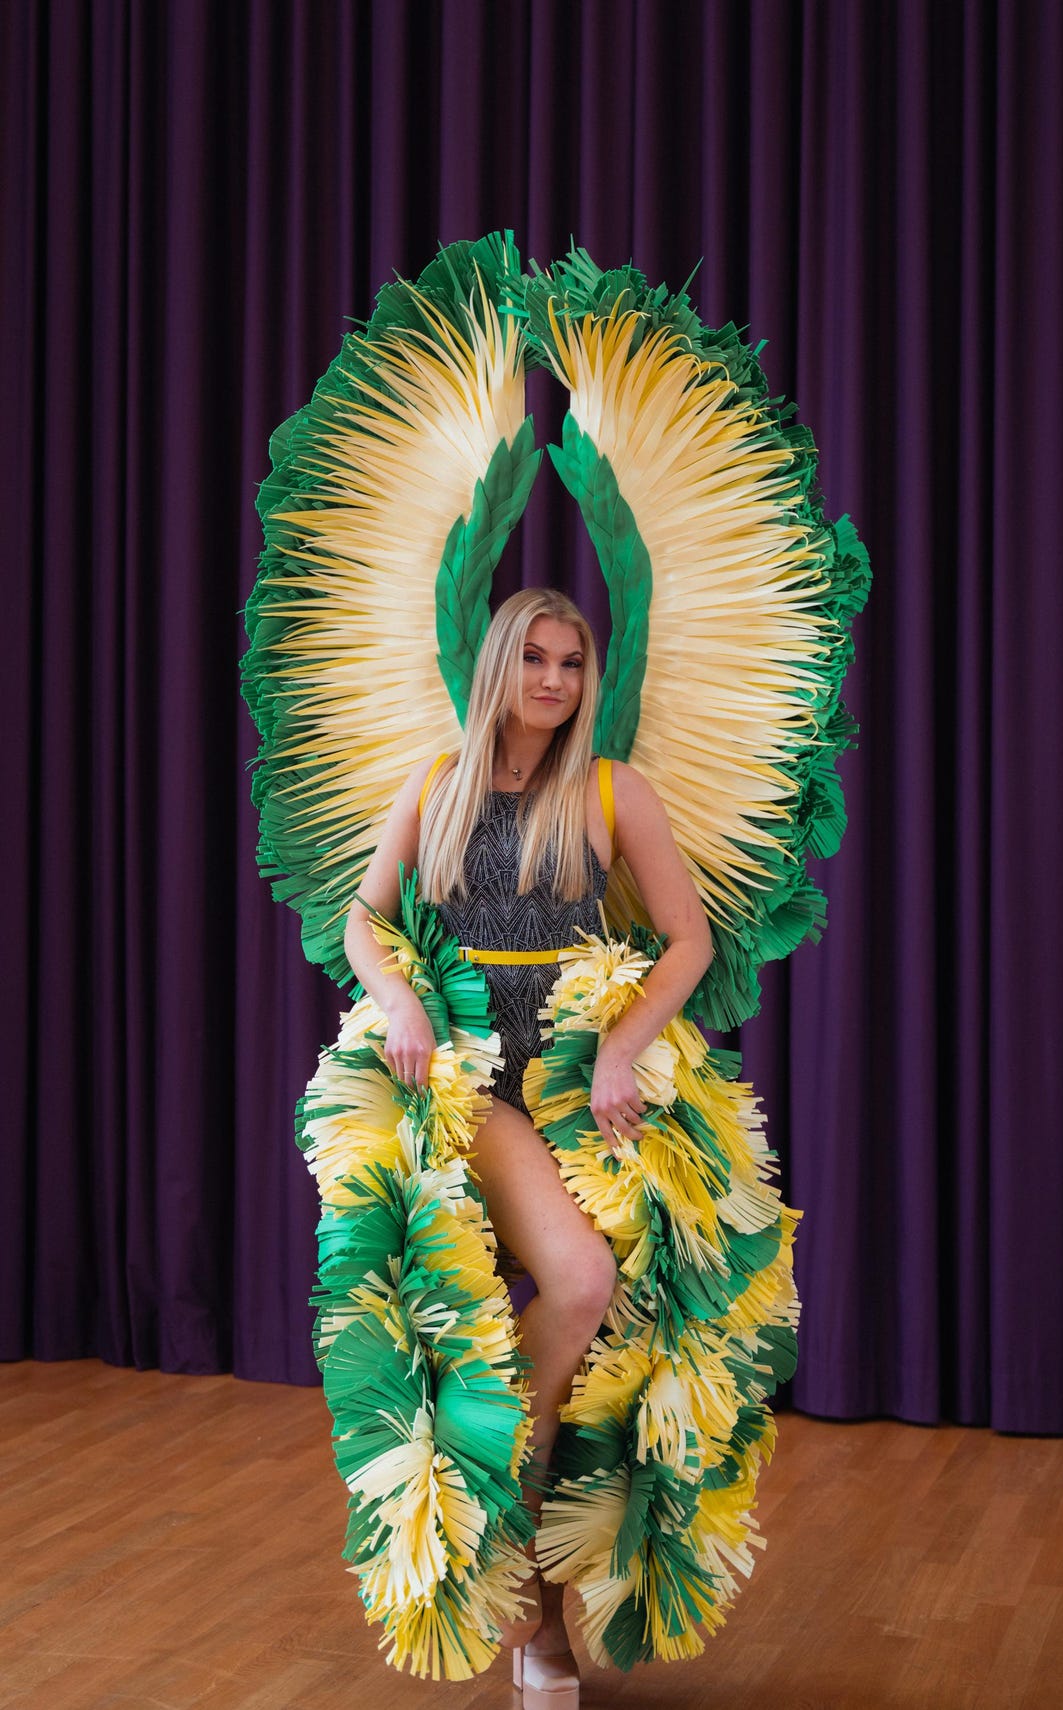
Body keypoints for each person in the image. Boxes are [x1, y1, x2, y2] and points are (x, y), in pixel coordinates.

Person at [343, 585, 713, 1702]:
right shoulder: (437, 786)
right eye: (534, 660)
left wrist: (620, 1049)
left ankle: (530, 1605)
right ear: (498, 665)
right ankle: (499, 1492)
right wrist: (403, 1006)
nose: (552, 682)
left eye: (571, 664)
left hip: (573, 1076)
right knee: (581, 1279)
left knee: (614, 1352)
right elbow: (364, 916)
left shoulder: (610, 791)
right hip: (470, 1076)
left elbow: (687, 942)